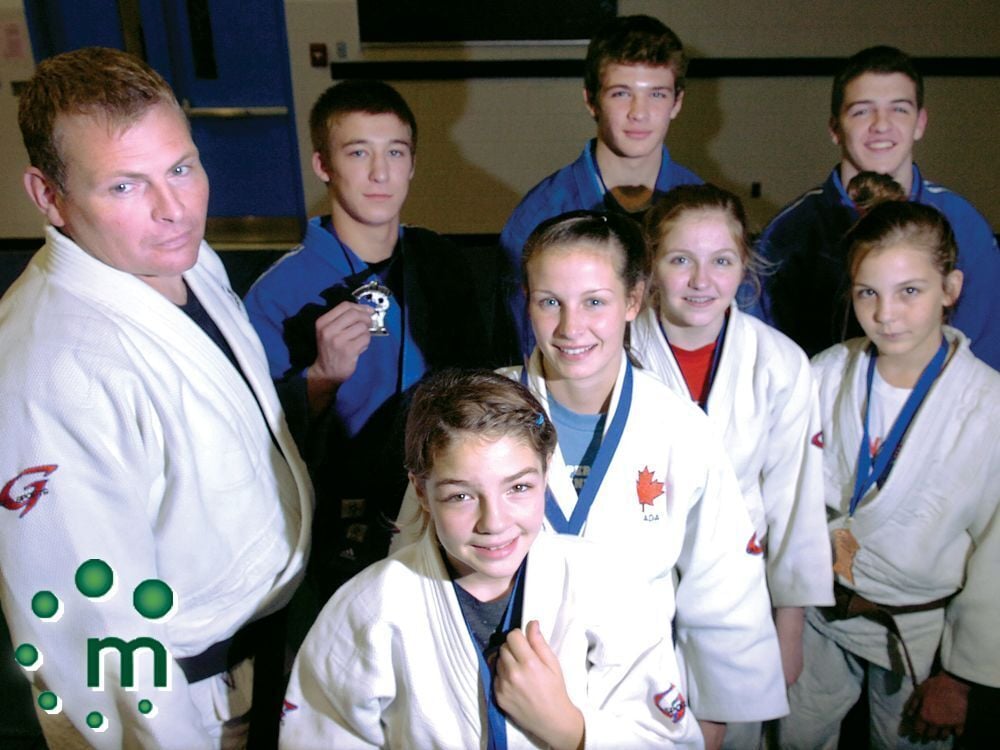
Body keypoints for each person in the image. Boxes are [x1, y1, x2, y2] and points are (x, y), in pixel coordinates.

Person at [0, 47, 312, 748]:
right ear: (49, 195)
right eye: (123, 186)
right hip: (186, 701)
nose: (174, 209)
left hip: (271, 653)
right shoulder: (49, 372)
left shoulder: (186, 259)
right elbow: (89, 638)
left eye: (181, 167)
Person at [400, 211, 787, 749]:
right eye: (550, 301)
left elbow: (723, 586)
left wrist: (715, 718)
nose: (570, 327)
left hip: (635, 704)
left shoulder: (678, 426)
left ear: (633, 300)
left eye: (595, 302)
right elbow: (410, 563)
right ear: (526, 301)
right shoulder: (473, 417)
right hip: (492, 693)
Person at [280, 370, 704, 749]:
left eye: (518, 488)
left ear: (546, 473)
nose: (494, 522)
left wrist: (570, 730)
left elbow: (672, 740)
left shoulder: (605, 587)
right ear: (422, 491)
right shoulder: (370, 609)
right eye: (461, 495)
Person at [244, 80, 490, 593]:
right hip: (334, 536)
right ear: (323, 165)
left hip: (443, 521)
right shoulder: (278, 294)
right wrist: (320, 379)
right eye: (358, 153)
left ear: (413, 164)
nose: (380, 173)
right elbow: (247, 443)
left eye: (395, 153)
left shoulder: (444, 266)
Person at [778, 201, 1000, 749]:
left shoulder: (988, 407)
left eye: (910, 291)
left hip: (920, 629)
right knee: (796, 736)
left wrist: (962, 675)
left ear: (950, 288)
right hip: (821, 609)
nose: (886, 314)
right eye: (867, 292)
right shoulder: (827, 372)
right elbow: (785, 491)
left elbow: (998, 556)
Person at [631, 184, 834, 747]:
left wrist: (788, 630)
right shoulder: (612, 351)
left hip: (740, 595)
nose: (702, 281)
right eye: (680, 260)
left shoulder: (779, 363)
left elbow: (794, 501)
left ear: (745, 266)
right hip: (636, 590)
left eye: (721, 260)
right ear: (650, 265)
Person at [755, 45, 1000, 369]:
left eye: (899, 109)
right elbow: (765, 357)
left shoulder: (964, 227)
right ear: (834, 128)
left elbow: (985, 358)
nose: (881, 125)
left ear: (920, 122)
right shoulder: (789, 234)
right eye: (861, 111)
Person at [499, 14, 702, 355]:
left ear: (677, 102)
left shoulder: (703, 211)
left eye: (657, 94)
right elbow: (519, 349)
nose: (639, 112)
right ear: (591, 99)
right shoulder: (538, 216)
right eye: (621, 93)